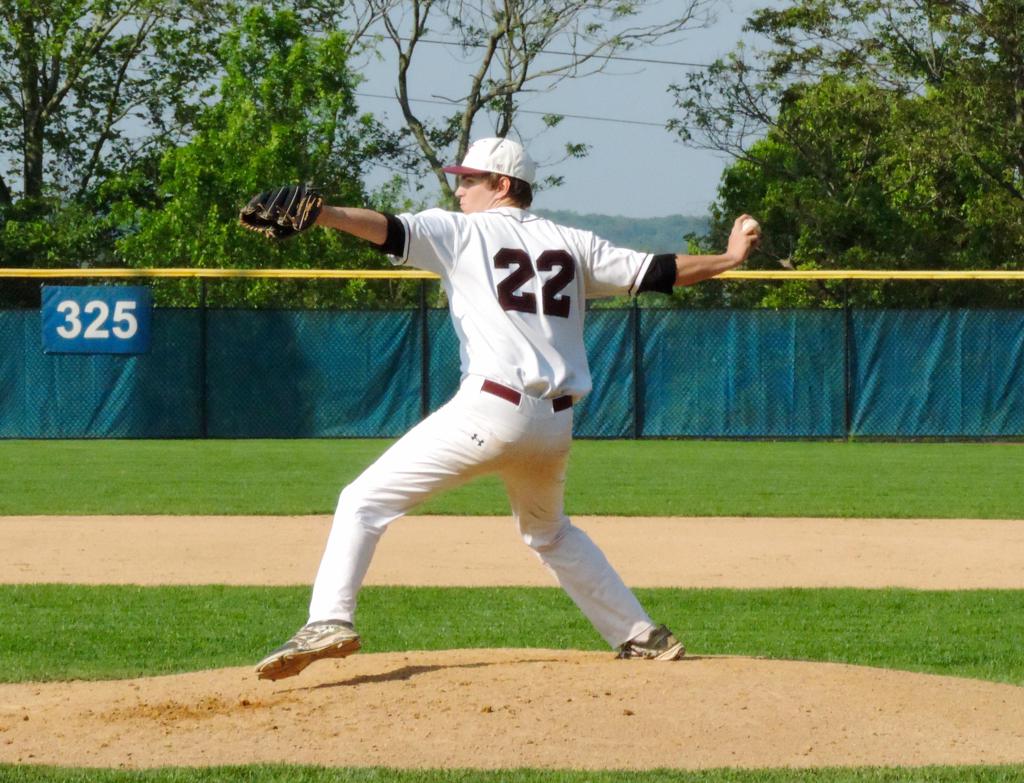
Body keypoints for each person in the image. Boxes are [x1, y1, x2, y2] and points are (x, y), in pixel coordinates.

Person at [254, 137, 760, 680]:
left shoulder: (461, 232)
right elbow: (661, 270)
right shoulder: (572, 243)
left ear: (501, 185)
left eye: (469, 180)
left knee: (361, 501)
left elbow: (387, 229)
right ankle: (640, 634)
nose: (458, 189)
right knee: (551, 532)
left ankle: (329, 619)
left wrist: (324, 214)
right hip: (555, 425)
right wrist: (730, 257)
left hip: (491, 411)